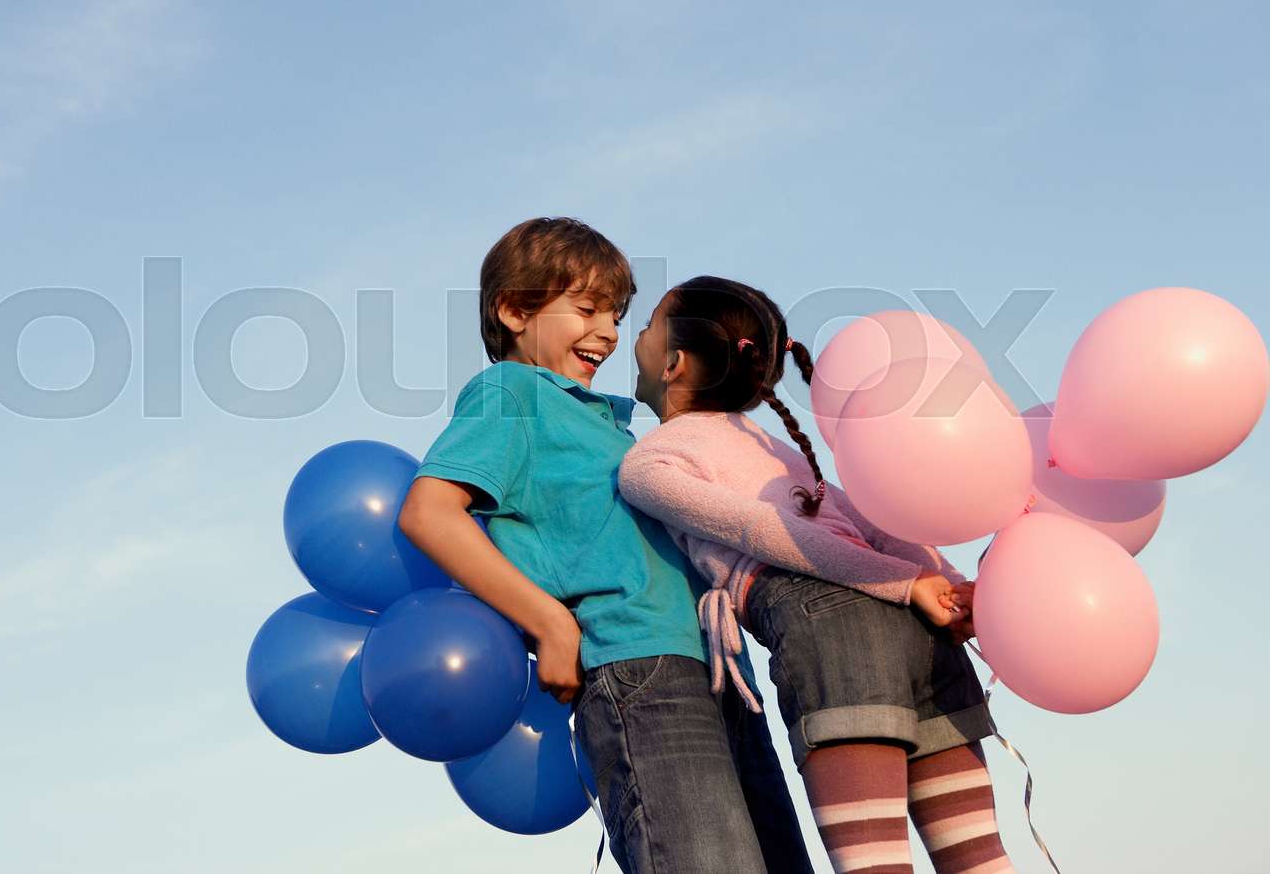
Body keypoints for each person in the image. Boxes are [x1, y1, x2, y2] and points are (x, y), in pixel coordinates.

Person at [399, 219, 814, 873]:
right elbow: (429, 512)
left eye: (617, 314)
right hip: (639, 671)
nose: (610, 331)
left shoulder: (617, 429)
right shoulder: (513, 393)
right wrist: (549, 621)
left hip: (719, 671)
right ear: (514, 310)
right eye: (587, 308)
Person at [617, 275, 1015, 874]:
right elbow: (873, 522)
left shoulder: (649, 462)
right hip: (921, 632)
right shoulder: (779, 451)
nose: (635, 334)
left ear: (673, 363)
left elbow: (771, 535)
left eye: (647, 324)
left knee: (875, 864)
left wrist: (905, 584)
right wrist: (949, 585)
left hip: (836, 634)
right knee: (980, 859)